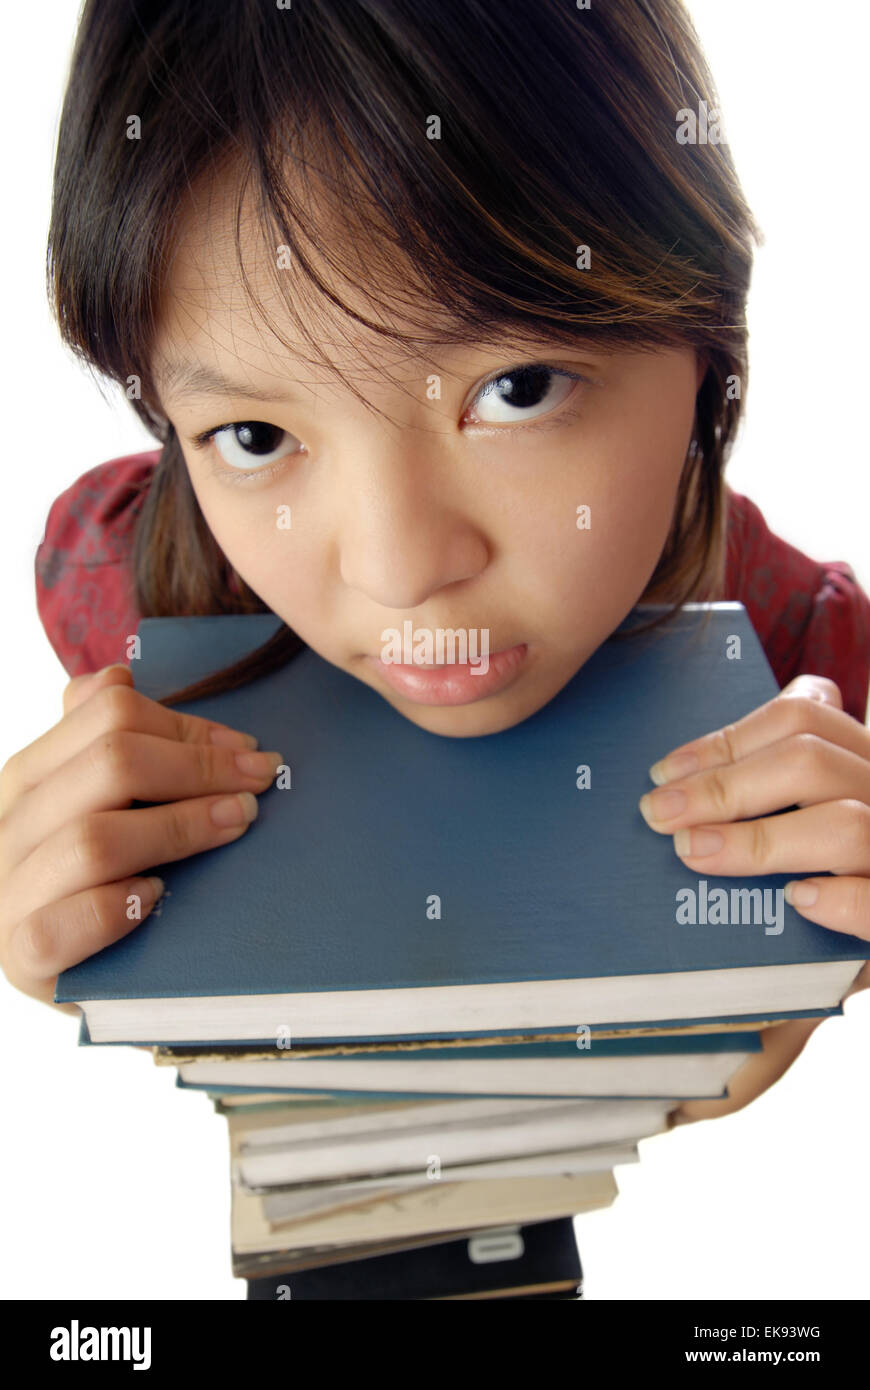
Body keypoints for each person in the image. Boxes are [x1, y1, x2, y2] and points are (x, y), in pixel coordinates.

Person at [3, 0, 869, 1139]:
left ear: (711, 349)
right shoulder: (108, 577)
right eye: (255, 437)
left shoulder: (812, 667)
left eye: (516, 389)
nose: (399, 569)